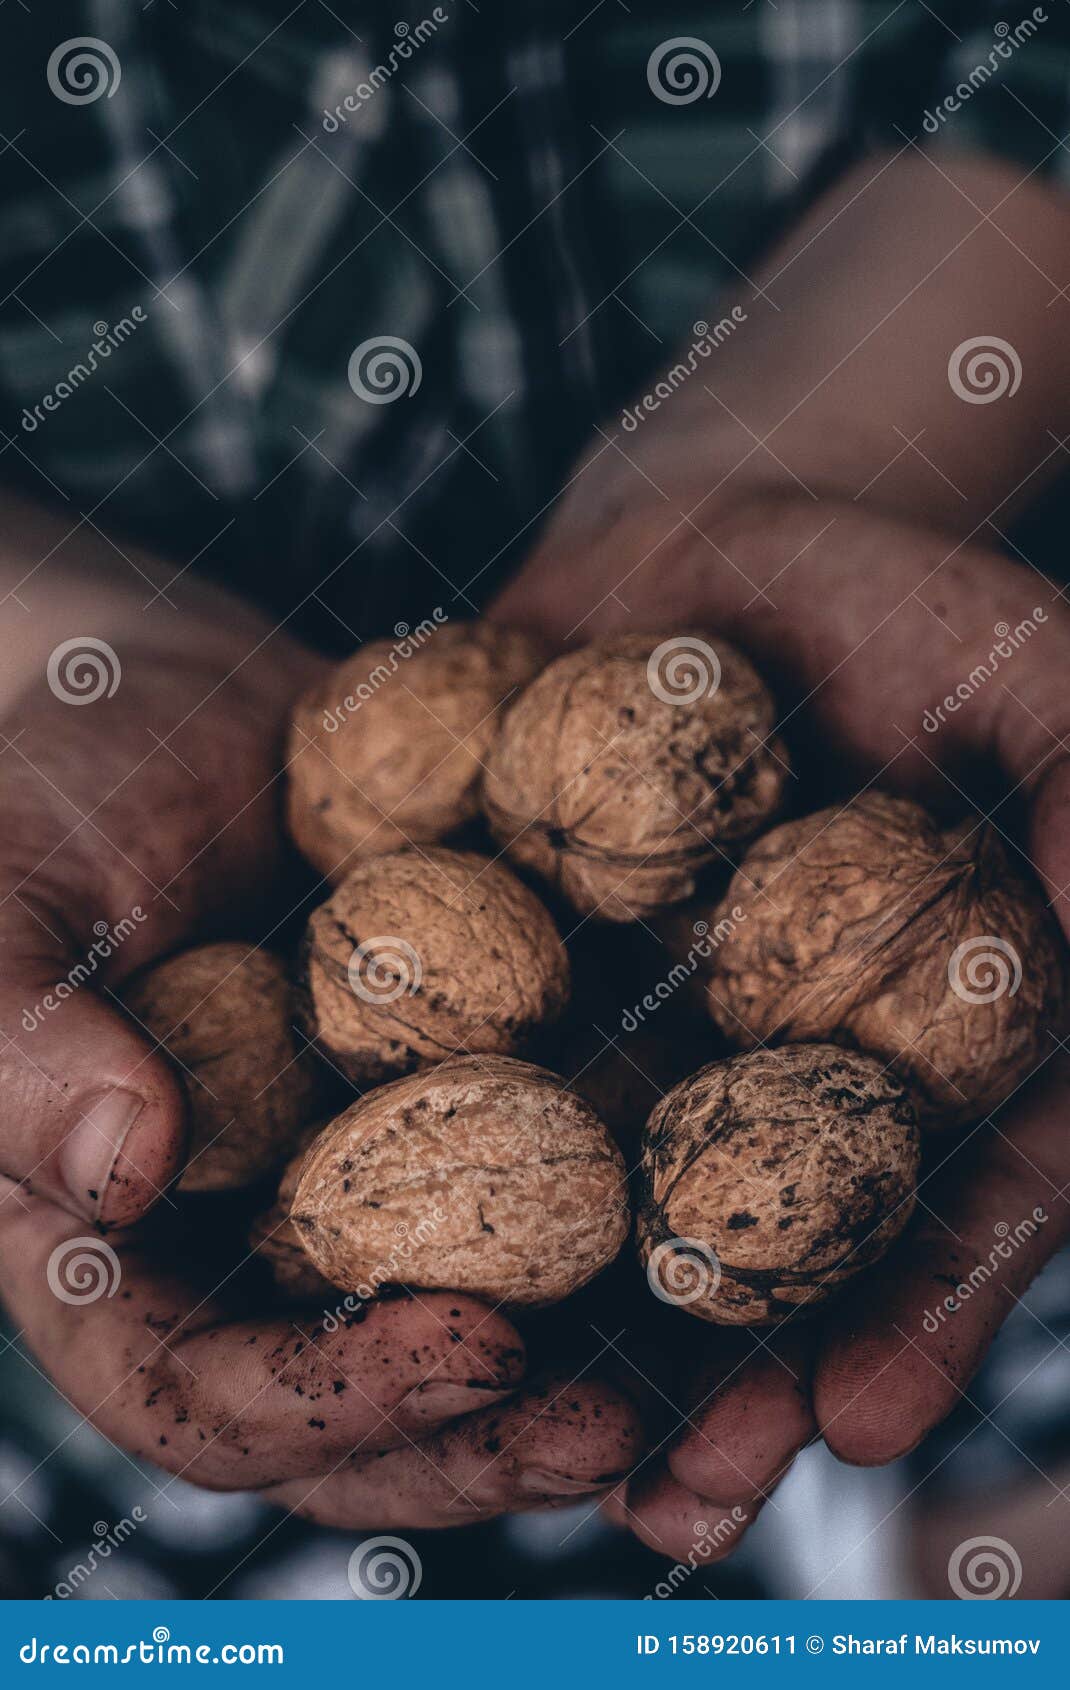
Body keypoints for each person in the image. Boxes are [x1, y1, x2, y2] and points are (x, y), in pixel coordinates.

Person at [1, 2, 1068, 1573]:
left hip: (959, 555)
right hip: (143, 595)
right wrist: (51, 652)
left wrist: (812, 459)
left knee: (997, 1460)